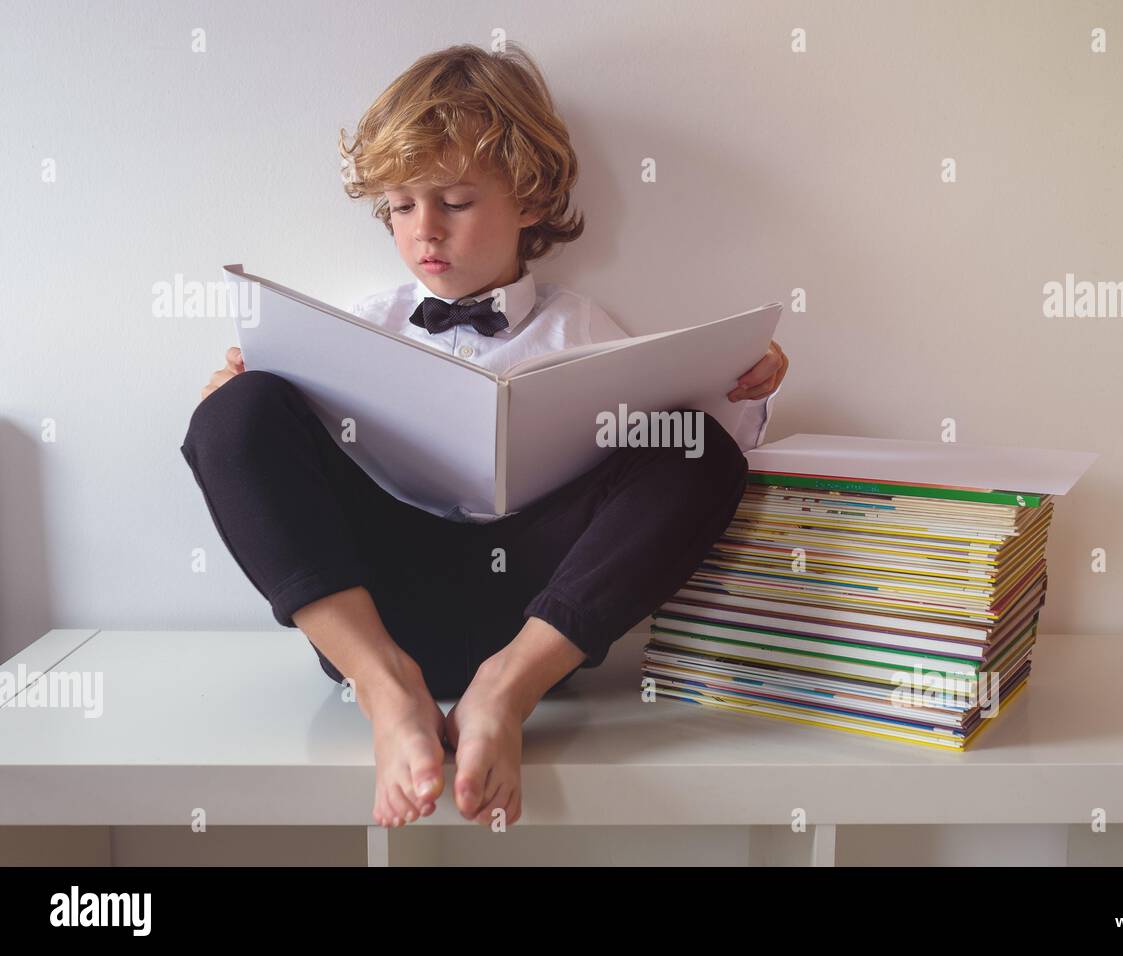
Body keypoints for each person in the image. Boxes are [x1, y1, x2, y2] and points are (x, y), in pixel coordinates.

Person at [181, 42, 789, 832]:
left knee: (697, 447)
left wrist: (746, 380)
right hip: (375, 604)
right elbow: (267, 459)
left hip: (539, 615)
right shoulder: (356, 325)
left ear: (530, 201)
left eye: (455, 202)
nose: (424, 230)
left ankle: (501, 694)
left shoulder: (584, 328)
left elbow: (698, 461)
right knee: (235, 414)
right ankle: (387, 691)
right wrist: (237, 401)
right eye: (401, 207)